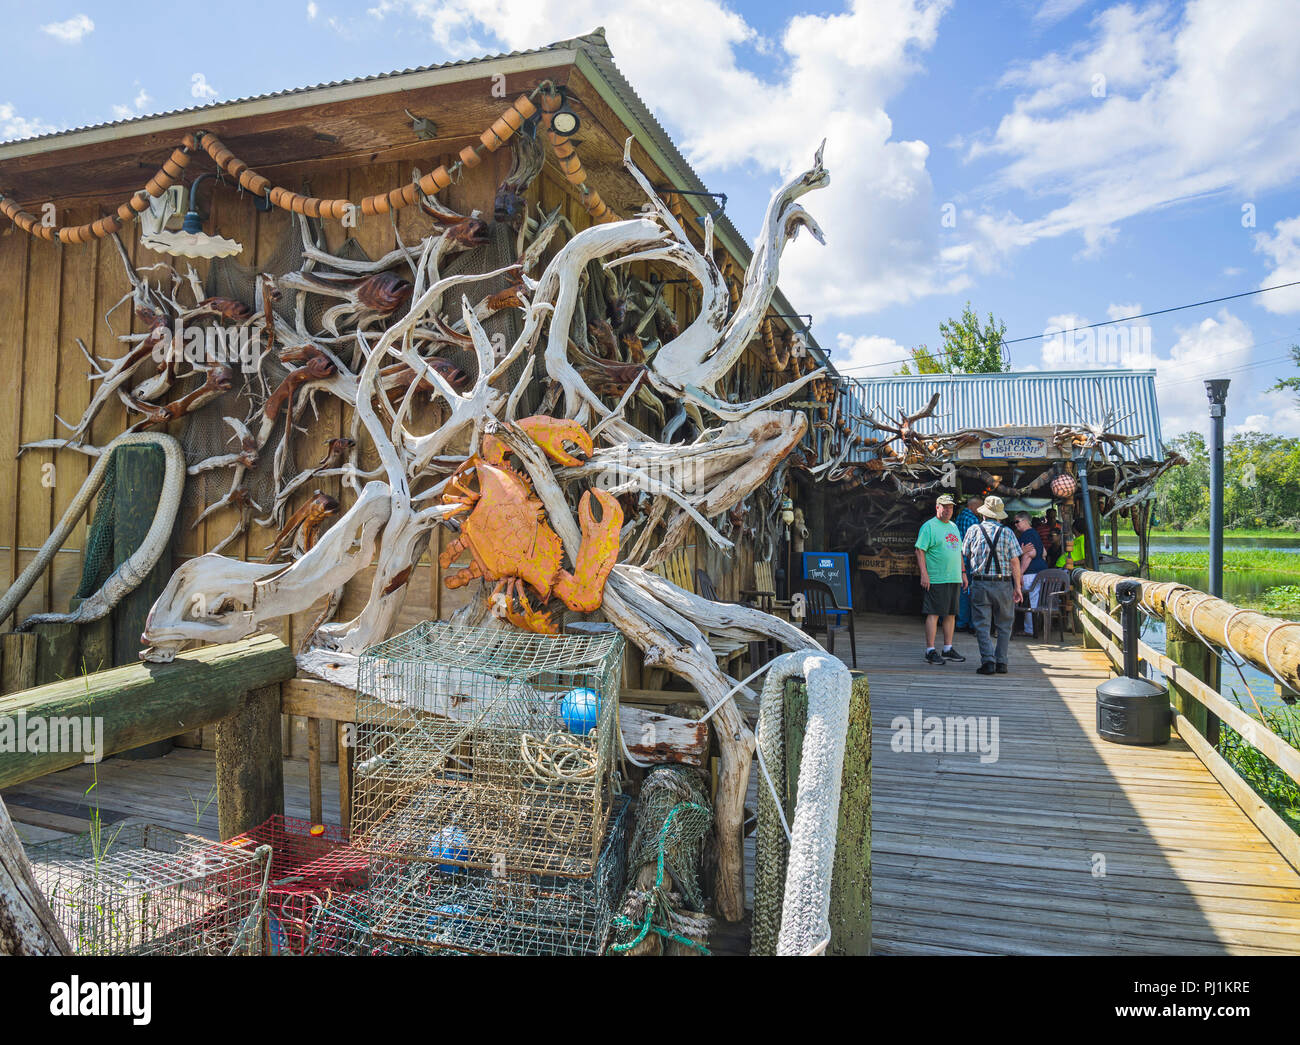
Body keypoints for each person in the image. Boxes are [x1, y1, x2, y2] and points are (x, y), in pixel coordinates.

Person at [961, 494, 1023, 674]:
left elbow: (965, 554)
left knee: (982, 624)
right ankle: (1002, 662)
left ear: (983, 514)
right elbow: (1015, 562)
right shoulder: (1008, 532)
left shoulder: (973, 530)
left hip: (980, 583)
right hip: (1003, 584)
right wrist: (1017, 587)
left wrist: (965, 573)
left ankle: (988, 661)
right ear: (998, 515)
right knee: (1004, 625)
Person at [914, 493, 967, 665]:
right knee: (934, 613)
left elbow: (958, 551)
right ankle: (930, 650)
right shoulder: (929, 526)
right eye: (944, 507)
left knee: (951, 613)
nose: (948, 510)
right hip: (936, 577)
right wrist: (924, 573)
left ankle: (947, 648)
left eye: (950, 507)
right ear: (937, 507)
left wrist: (963, 572)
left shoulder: (953, 526)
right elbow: (920, 550)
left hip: (954, 577)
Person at [1013, 511, 1047, 636]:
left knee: (1029, 602)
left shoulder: (1027, 534)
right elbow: (1044, 553)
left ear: (1025, 521)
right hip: (1041, 572)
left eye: (1017, 521)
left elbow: (1029, 554)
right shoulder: (1035, 534)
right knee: (1034, 600)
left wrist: (1020, 573)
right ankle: (1033, 629)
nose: (1015, 524)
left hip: (1030, 573)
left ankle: (1030, 630)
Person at [954, 496, 982, 633]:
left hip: (958, 560)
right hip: (969, 561)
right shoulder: (973, 520)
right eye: (980, 506)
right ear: (973, 506)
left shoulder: (959, 516)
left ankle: (960, 622)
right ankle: (970, 624)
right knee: (970, 593)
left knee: (962, 592)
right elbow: (975, 544)